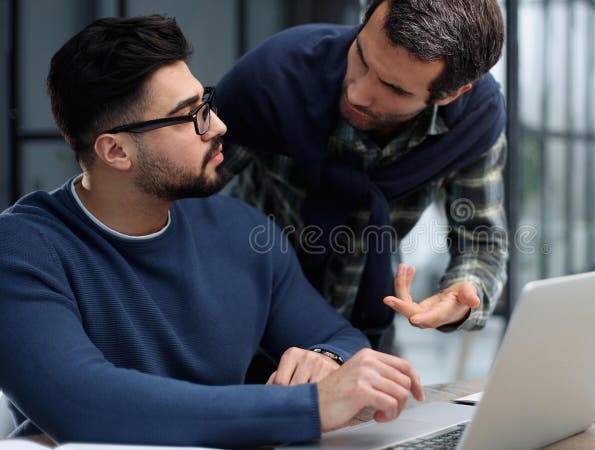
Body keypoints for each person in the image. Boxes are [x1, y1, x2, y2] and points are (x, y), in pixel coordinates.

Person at [0, 15, 423, 447]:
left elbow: (339, 336)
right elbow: (83, 404)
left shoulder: (242, 230)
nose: (218, 126)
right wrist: (309, 407)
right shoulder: (21, 250)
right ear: (117, 151)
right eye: (190, 116)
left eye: (206, 103)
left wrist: (326, 359)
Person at [217, 0, 509, 350]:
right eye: (361, 55)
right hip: (243, 313)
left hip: (368, 331)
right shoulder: (277, 75)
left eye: (394, 88)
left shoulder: (475, 121)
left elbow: (482, 242)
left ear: (451, 95)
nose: (357, 93)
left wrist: (464, 293)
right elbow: (178, 190)